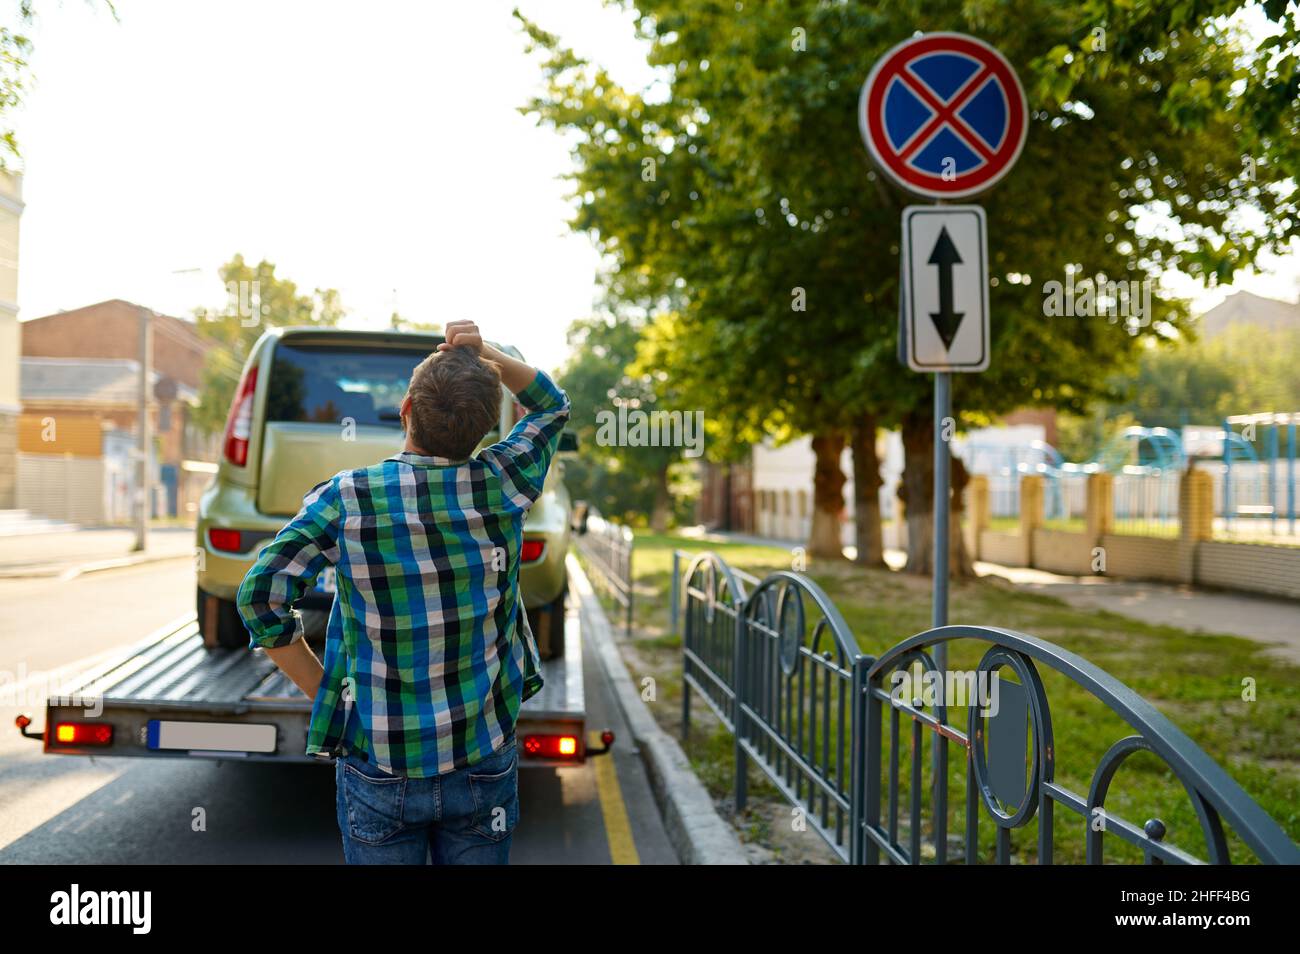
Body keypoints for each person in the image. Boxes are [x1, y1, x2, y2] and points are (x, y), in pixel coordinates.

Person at [236, 320, 570, 864]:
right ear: (487, 428)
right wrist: (487, 352)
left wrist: (328, 696)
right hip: (482, 757)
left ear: (406, 408)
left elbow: (260, 598)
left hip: (379, 766)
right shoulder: (503, 484)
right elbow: (551, 405)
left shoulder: (347, 500)